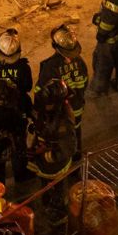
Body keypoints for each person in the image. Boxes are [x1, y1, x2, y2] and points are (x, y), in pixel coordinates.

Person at [26, 79, 77, 217]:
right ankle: (47, 198)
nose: (44, 106)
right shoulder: (49, 110)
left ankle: (58, 211)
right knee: (45, 184)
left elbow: (69, 148)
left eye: (48, 104)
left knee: (58, 187)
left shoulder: (64, 123)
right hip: (43, 162)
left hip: (55, 165)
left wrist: (46, 152)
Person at [37, 24, 88, 158]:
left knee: (60, 137)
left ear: (55, 46)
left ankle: (63, 158)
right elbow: (85, 83)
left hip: (60, 112)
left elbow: (41, 92)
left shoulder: (50, 67)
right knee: (76, 131)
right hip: (77, 107)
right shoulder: (80, 62)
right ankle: (77, 157)